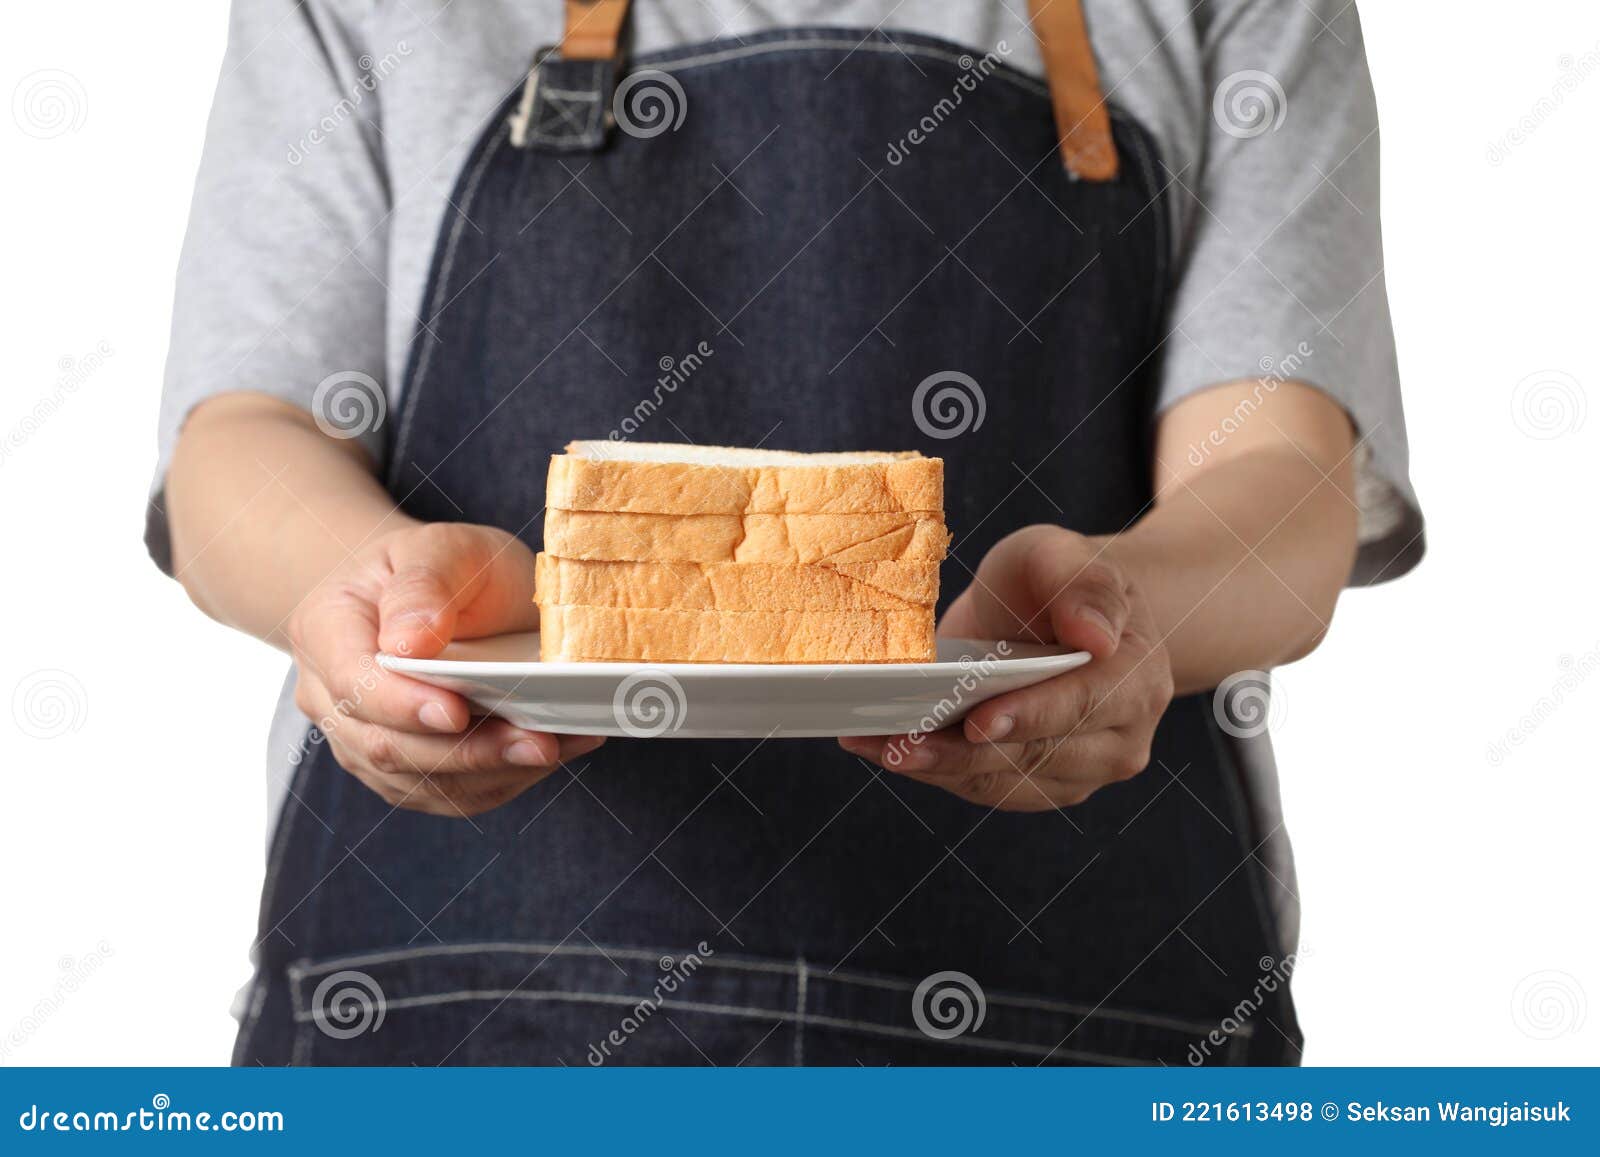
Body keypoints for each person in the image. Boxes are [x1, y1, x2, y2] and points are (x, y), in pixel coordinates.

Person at [150, 0, 1422, 1065]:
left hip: (1092, 1024)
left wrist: (1124, 609)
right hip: (453, 1020)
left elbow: (1276, 468)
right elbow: (242, 437)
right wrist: (371, 597)